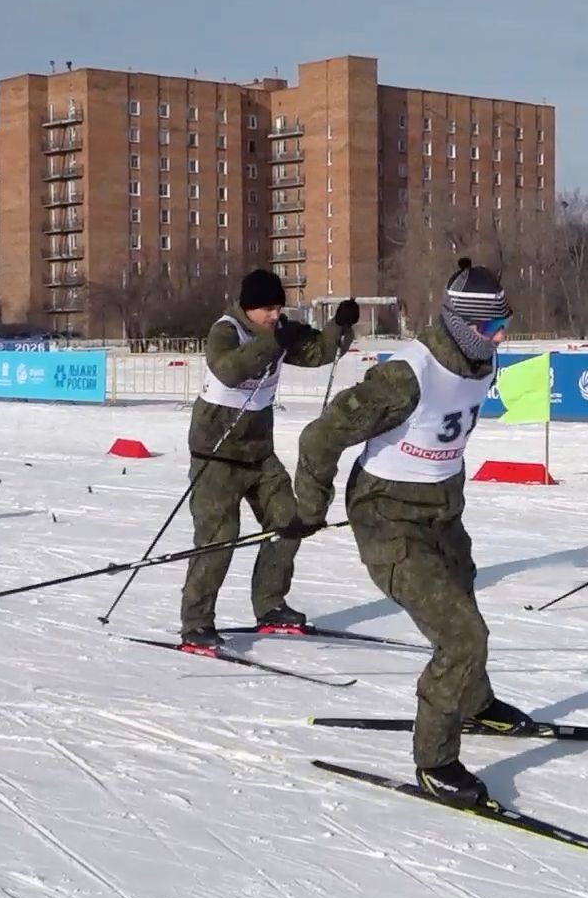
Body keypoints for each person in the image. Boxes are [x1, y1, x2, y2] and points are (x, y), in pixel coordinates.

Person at [289, 258, 533, 806]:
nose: (501, 336)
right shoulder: (407, 375)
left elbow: (448, 439)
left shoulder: (480, 360)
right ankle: (436, 760)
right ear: (465, 324)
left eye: (504, 325)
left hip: (442, 510)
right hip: (388, 517)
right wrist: (309, 505)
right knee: (462, 635)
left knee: (464, 601)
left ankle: (473, 702)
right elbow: (320, 437)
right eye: (492, 327)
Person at [177, 268, 359, 648]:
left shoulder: (277, 330)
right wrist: (273, 341)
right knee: (218, 538)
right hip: (217, 454)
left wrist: (339, 326)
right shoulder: (226, 330)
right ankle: (196, 623)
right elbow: (228, 370)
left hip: (259, 453)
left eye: (279, 307)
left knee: (288, 523)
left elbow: (320, 352)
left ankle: (270, 605)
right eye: (267, 309)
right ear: (248, 308)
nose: (275, 315)